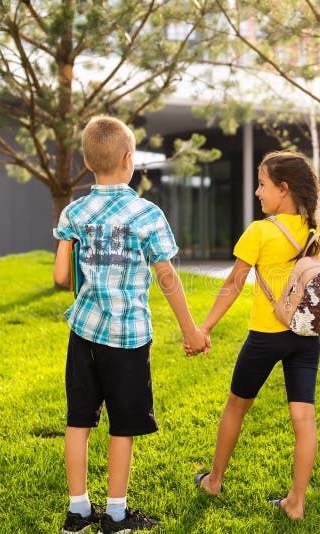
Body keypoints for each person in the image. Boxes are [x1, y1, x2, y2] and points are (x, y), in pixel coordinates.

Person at [52, 116, 209, 534]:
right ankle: (117, 516)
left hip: (83, 332)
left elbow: (60, 278)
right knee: (123, 425)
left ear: (86, 161)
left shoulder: (74, 212)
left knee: (78, 421)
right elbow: (168, 277)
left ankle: (77, 511)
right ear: (128, 161)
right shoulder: (147, 214)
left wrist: (68, 241)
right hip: (129, 336)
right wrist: (191, 331)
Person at [192, 151, 320, 520]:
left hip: (265, 336)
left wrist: (205, 327)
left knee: (237, 405)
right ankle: (296, 503)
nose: (257, 192)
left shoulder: (260, 231)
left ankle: (214, 481)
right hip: (306, 337)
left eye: (263, 185)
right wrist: (312, 263)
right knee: (304, 419)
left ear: (284, 189)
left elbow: (233, 284)